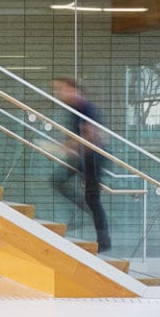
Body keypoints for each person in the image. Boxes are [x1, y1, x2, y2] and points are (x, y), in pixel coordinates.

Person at [50, 76, 112, 254]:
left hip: (94, 159)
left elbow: (90, 136)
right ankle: (80, 210)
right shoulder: (72, 110)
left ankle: (104, 241)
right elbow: (76, 137)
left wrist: (66, 147)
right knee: (57, 181)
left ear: (73, 89)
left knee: (93, 199)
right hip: (81, 158)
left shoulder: (87, 107)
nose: (59, 93)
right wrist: (68, 147)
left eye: (61, 89)